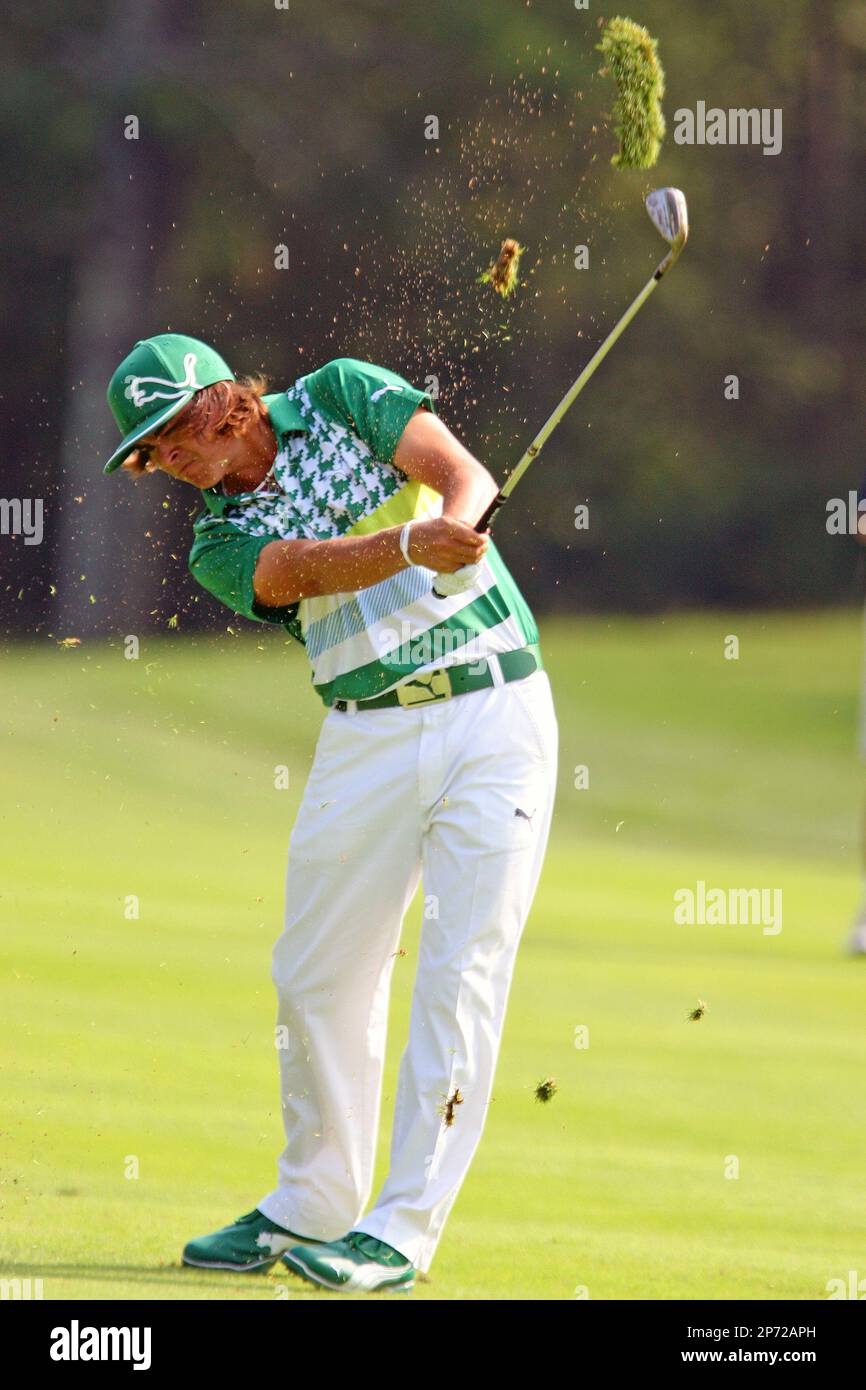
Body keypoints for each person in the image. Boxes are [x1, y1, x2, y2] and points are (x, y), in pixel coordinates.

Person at [104, 332, 558, 1293]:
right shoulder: (215, 543)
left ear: (225, 401)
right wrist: (406, 545)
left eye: (173, 429)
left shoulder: (345, 395)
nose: (169, 459)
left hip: (494, 709)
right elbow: (296, 571)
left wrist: (461, 527)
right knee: (315, 973)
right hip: (366, 734)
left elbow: (461, 475)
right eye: (151, 452)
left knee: (461, 969)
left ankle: (402, 1229)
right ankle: (313, 1200)